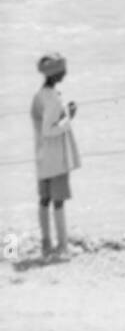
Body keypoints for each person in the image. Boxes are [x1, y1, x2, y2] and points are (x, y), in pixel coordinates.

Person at [31, 53, 80, 259]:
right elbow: (49, 130)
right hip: (55, 159)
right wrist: (69, 117)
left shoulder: (40, 95)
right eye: (62, 70)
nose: (65, 73)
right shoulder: (52, 99)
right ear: (55, 74)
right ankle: (62, 246)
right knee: (58, 201)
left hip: (42, 156)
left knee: (44, 199)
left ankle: (46, 245)